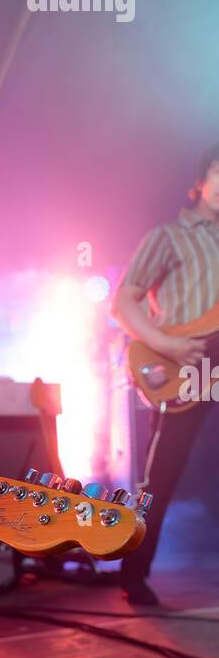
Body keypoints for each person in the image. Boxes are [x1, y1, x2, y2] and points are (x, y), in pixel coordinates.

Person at [112, 142, 219, 606]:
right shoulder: (169, 236)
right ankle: (133, 574)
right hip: (185, 365)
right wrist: (167, 343)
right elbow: (124, 301)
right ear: (199, 183)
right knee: (162, 475)